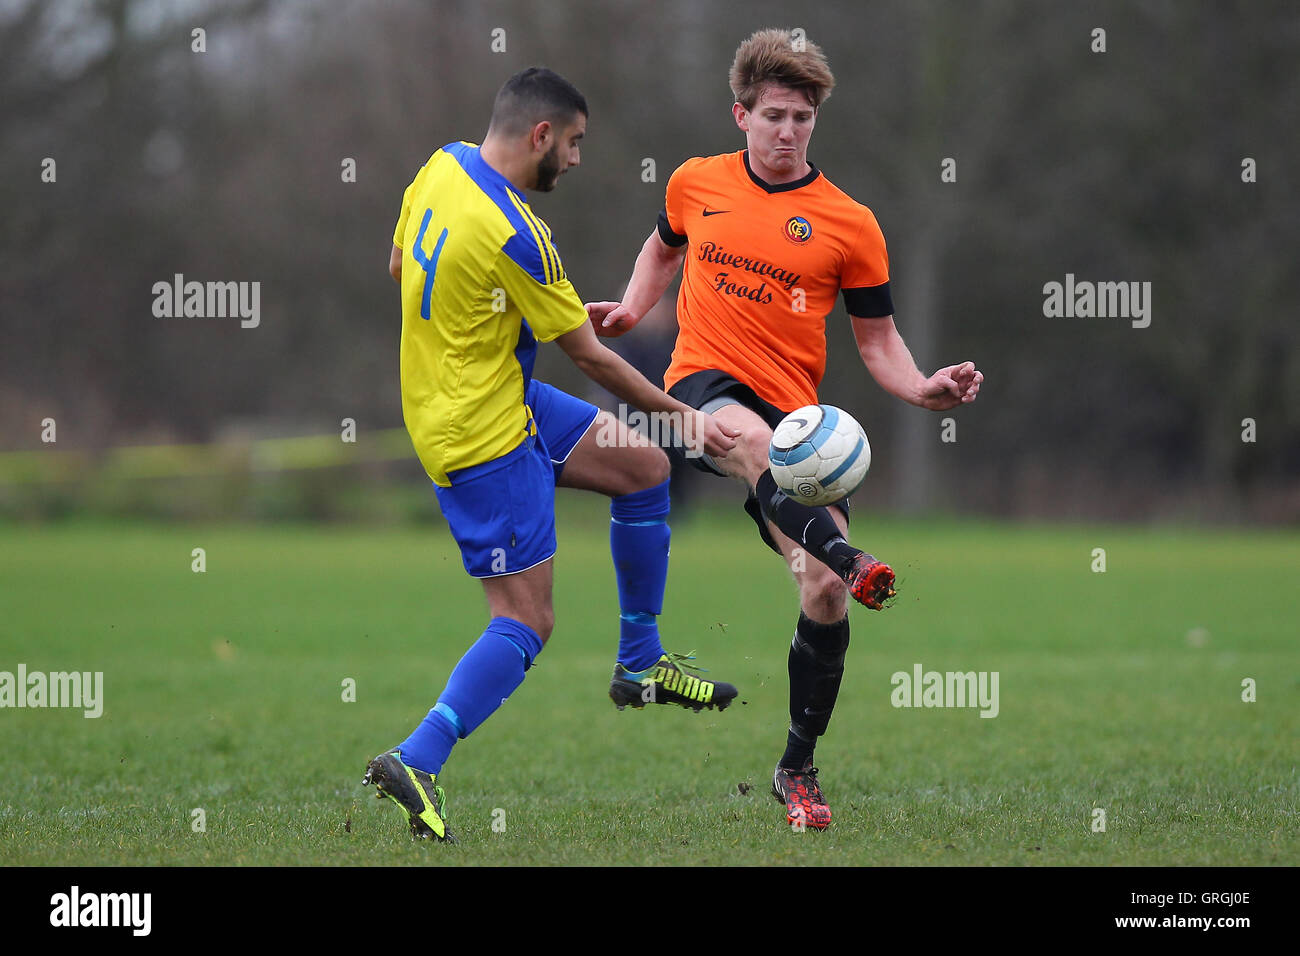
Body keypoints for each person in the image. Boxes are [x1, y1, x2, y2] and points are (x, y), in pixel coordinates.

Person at [586, 30, 983, 830]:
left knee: (825, 591)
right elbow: (663, 249)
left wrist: (920, 387)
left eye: (801, 118)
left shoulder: (849, 223)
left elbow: (878, 340)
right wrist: (633, 310)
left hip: (798, 420)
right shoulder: (696, 182)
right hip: (700, 389)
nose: (787, 131)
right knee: (749, 445)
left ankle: (796, 767)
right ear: (741, 114)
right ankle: (854, 555)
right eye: (772, 115)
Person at [363, 67, 742, 841]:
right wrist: (691, 421)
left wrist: (478, 326)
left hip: (493, 394)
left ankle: (640, 666)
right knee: (526, 620)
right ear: (540, 134)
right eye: (571, 143)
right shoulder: (519, 235)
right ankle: (417, 755)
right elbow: (597, 361)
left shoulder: (439, 165)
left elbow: (400, 267)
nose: (574, 159)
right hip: (480, 433)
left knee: (645, 469)